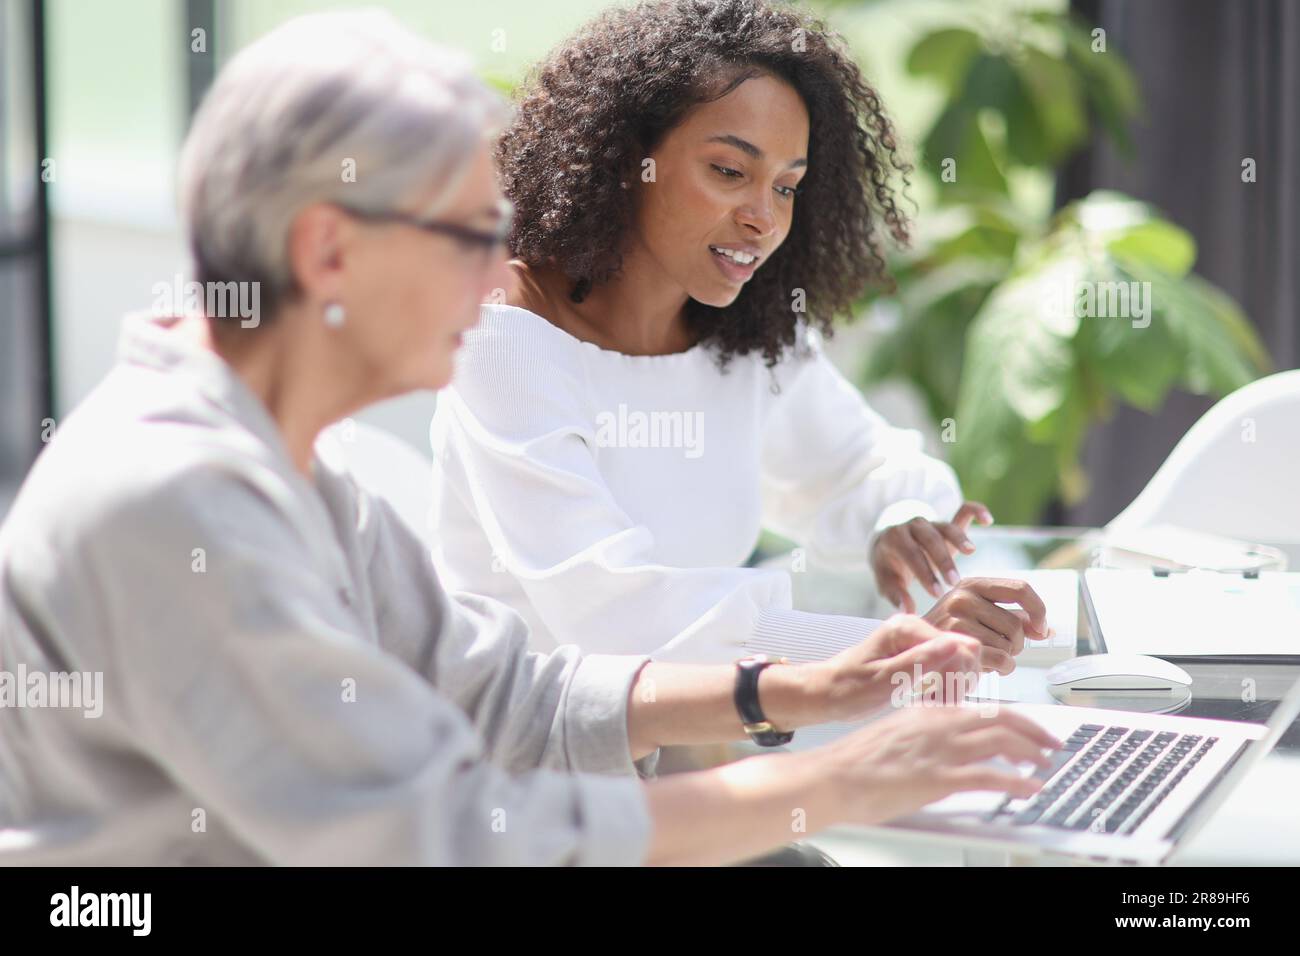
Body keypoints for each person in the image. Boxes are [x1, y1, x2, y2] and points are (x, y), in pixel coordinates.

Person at [0, 11, 1056, 867]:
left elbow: (511, 691)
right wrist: (831, 778)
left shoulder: (295, 473)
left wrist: (808, 685)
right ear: (329, 251)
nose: (501, 275)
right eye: (471, 235)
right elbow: (440, 837)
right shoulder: (173, 496)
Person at [430, 0, 1049, 667]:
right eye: (729, 172)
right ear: (622, 155)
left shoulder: (740, 333)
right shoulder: (503, 337)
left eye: (787, 187)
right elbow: (622, 618)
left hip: (701, 733)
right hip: (531, 756)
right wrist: (890, 649)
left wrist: (895, 522)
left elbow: (868, 468)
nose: (764, 220)